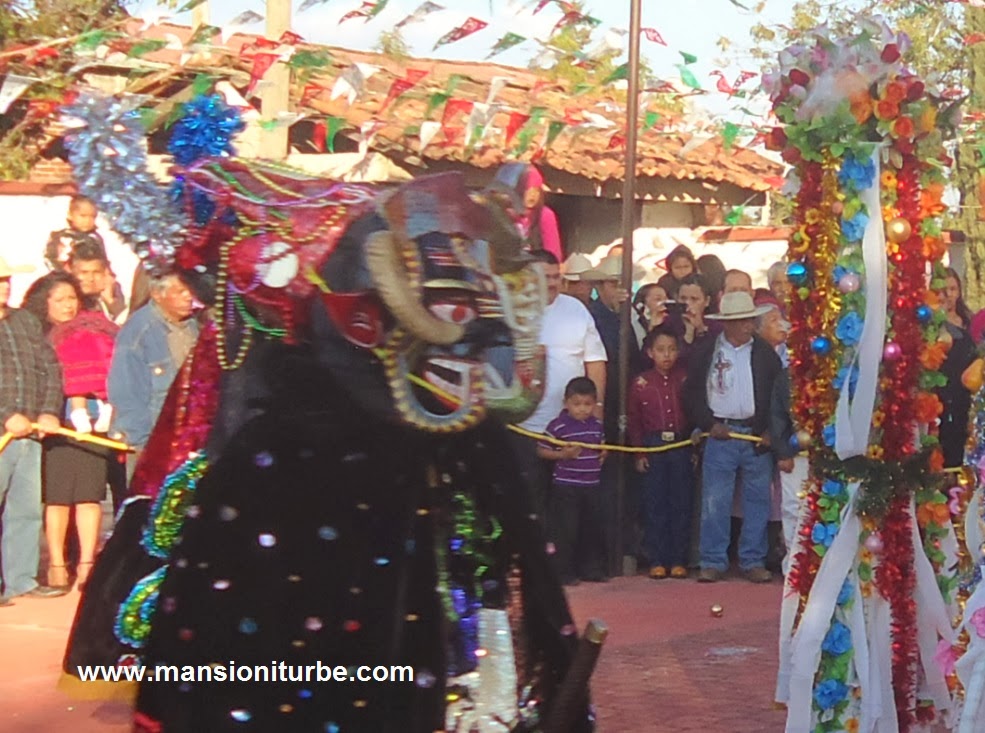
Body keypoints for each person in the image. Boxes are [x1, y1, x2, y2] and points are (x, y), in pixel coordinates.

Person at [21, 271, 118, 590]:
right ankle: (58, 566)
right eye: (59, 300)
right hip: (55, 424)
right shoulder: (35, 334)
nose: (67, 306)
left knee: (89, 496)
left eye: (71, 299)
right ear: (43, 301)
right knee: (59, 498)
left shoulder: (92, 328)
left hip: (92, 424)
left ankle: (88, 564)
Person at [685, 291, 782, 583]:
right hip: (721, 433)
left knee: (758, 502)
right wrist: (707, 423)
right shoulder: (706, 352)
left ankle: (753, 559)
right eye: (742, 321)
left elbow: (778, 396)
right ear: (728, 324)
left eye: (750, 320)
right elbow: (690, 392)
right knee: (716, 500)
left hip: (754, 435)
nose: (748, 326)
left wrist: (769, 430)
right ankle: (713, 560)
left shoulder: (765, 354)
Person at [515, 251, 607, 515]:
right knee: (528, 506)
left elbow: (596, 363)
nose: (553, 283)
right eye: (546, 277)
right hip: (526, 429)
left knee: (568, 514)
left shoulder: (576, 310)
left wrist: (597, 418)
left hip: (573, 430)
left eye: (556, 276)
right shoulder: (514, 311)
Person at [0, 256, 67, 605]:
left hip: (29, 436)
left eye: (6, 280)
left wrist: (48, 411)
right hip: (4, 433)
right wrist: (6, 415)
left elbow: (50, 368)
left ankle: (20, 581)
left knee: (25, 510)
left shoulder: (25, 321)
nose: (5, 286)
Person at [108, 270, 199, 476]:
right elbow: (125, 391)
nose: (188, 297)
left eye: (190, 291)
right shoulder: (139, 330)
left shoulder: (193, 326)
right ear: (158, 295)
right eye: (180, 291)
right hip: (153, 439)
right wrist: (141, 441)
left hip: (189, 439)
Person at [629, 327, 692, 580]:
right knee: (655, 504)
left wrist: (693, 446)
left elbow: (693, 412)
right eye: (660, 350)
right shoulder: (640, 383)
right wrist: (639, 453)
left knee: (680, 503)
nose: (666, 355)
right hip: (653, 445)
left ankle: (678, 559)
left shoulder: (685, 379)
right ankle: (657, 559)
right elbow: (634, 421)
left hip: (680, 444)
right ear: (650, 352)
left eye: (671, 349)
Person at [537, 377, 607, 586]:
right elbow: (541, 450)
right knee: (566, 530)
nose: (582, 409)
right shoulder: (558, 426)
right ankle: (564, 572)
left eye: (588, 404)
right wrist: (563, 455)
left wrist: (603, 453)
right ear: (566, 403)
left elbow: (601, 446)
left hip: (591, 485)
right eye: (577, 404)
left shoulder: (597, 425)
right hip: (566, 486)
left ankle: (591, 569)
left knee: (591, 528)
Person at [938, 268, 976, 467]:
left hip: (969, 392)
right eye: (944, 290)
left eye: (953, 289)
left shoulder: (970, 321)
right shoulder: (935, 325)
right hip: (946, 392)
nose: (949, 295)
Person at [45, 195, 107, 272]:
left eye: (92, 217)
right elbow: (50, 259)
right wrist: (60, 276)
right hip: (65, 277)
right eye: (83, 216)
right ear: (70, 215)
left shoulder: (95, 238)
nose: (87, 221)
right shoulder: (61, 237)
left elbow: (103, 261)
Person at [69, 241, 125, 321]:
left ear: (105, 272)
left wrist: (111, 303)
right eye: (84, 273)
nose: (91, 278)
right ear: (72, 271)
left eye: (96, 272)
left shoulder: (116, 297)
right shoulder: (66, 302)